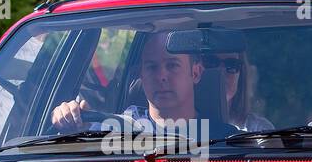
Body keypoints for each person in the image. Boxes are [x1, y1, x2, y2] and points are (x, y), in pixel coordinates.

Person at [51, 31, 238, 139]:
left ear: (195, 73)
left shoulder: (225, 139)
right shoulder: (113, 129)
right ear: (141, 74)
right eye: (151, 67)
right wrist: (65, 117)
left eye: (172, 66)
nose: (161, 76)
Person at [212, 49, 273, 132]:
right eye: (211, 62)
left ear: (241, 76)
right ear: (195, 72)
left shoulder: (260, 130)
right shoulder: (190, 128)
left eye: (232, 64)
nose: (221, 72)